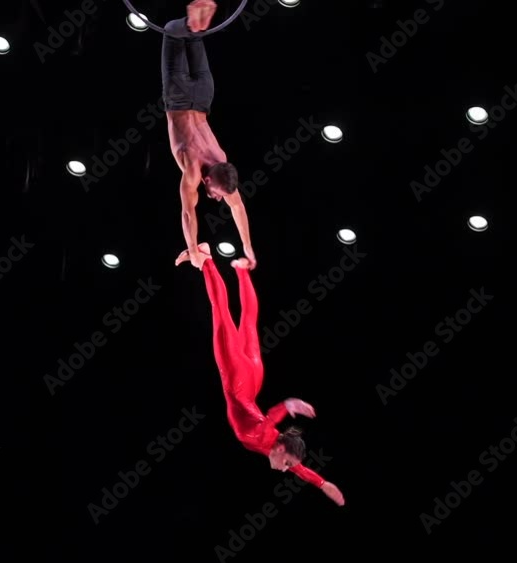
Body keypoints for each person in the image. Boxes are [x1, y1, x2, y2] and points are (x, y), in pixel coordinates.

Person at [177, 243, 345, 506]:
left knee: (248, 320)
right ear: (280, 450)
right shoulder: (260, 438)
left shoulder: (275, 445)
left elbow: (301, 469)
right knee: (221, 315)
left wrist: (324, 484)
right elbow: (267, 421)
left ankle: (242, 271)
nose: (288, 469)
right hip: (237, 380)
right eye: (288, 463)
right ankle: (206, 259)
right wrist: (287, 405)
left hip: (254, 377)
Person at [163, 0, 256, 270]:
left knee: (194, 34)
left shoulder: (222, 160)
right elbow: (187, 213)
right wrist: (193, 252)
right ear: (207, 178)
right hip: (179, 99)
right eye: (216, 194)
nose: (215, 198)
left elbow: (238, 207)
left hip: (204, 96)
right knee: (172, 30)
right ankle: (192, 23)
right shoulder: (193, 170)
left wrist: (249, 248)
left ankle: (196, 24)